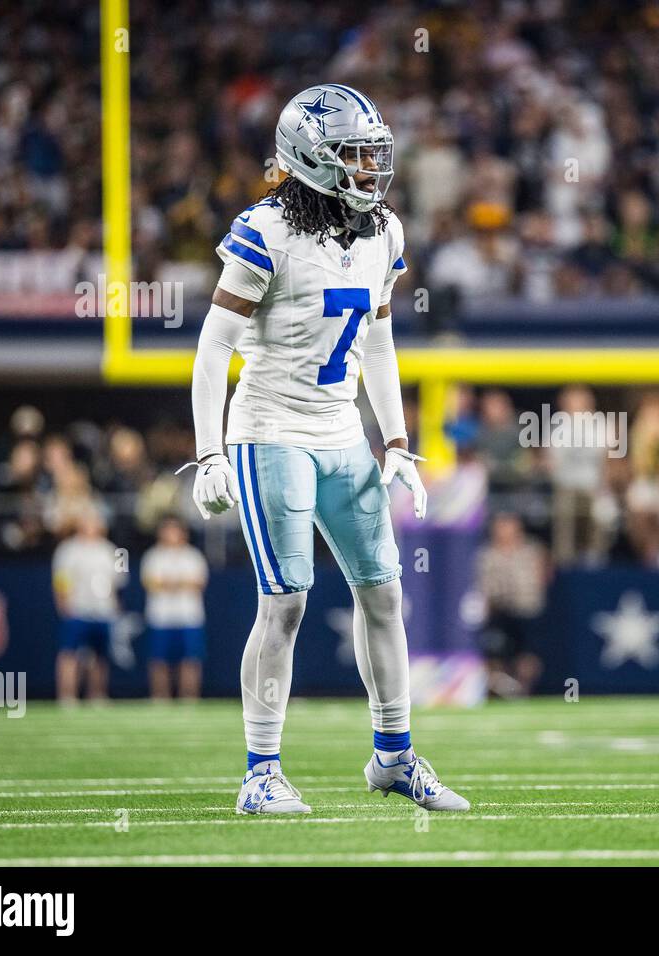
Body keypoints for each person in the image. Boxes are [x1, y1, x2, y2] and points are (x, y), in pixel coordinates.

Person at [188, 84, 468, 814]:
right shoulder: (264, 231)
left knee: (384, 593)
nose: (369, 168)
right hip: (271, 430)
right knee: (286, 602)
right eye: (352, 153)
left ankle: (394, 756)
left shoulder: (382, 232)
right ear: (309, 156)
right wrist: (209, 451)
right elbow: (213, 349)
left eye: (374, 153)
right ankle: (260, 772)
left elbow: (377, 338)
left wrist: (398, 437)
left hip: (343, 432)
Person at [52, 510, 123, 702]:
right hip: (78, 608)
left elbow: (118, 582)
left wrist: (115, 606)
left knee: (100, 657)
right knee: (69, 654)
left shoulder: (112, 550)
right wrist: (63, 603)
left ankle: (98, 695)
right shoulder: (68, 549)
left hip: (103, 610)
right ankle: (67, 695)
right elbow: (61, 580)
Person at [475, 513, 548, 697]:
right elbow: (482, 584)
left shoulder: (531, 550)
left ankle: (523, 691)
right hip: (499, 610)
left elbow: (544, 573)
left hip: (527, 609)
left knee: (528, 656)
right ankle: (502, 691)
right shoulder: (487, 554)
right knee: (495, 654)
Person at [140, 517, 208, 700]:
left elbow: (199, 583)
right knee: (159, 660)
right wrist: (181, 582)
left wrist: (170, 583)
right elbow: (151, 583)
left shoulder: (193, 556)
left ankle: (189, 697)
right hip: (161, 616)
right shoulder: (153, 556)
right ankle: (160, 696)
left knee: (190, 660)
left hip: (189, 616)